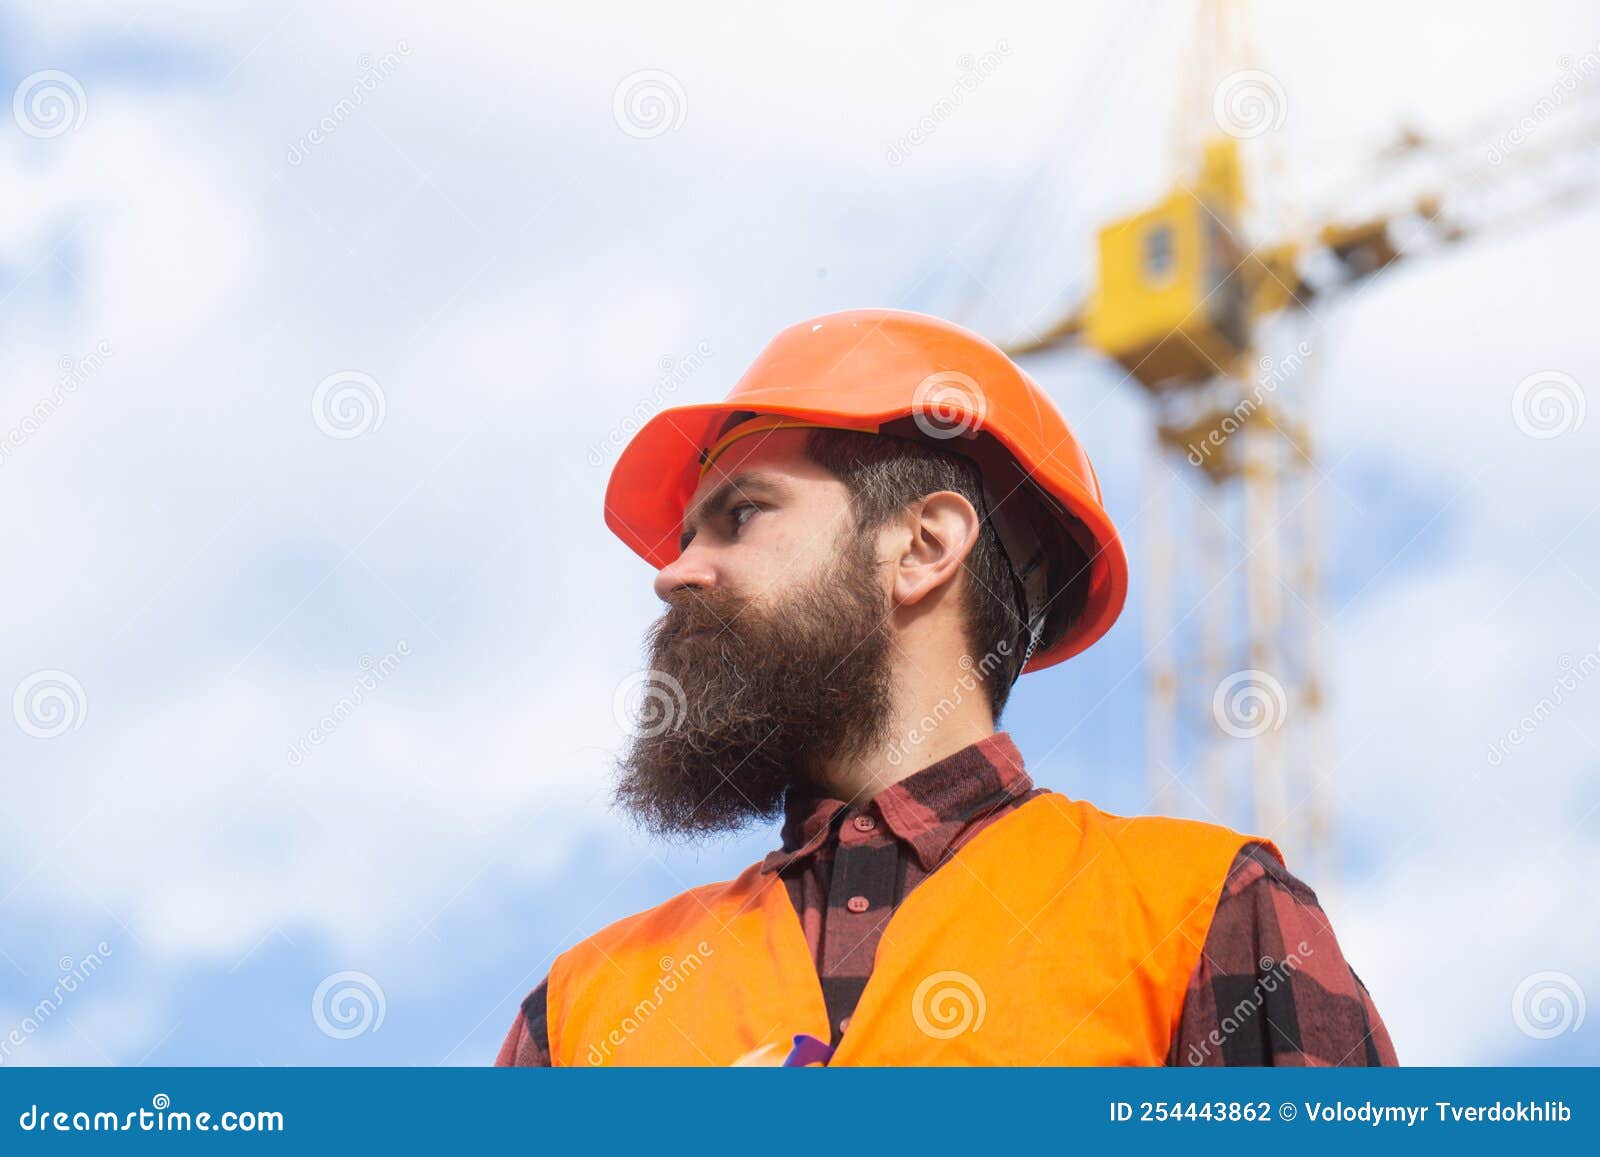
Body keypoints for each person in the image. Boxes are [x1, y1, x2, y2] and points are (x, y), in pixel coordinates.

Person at [496, 309, 1396, 1067]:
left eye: (741, 515)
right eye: (690, 535)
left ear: (924, 546)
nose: (676, 572)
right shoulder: (583, 1010)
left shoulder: (1200, 913)